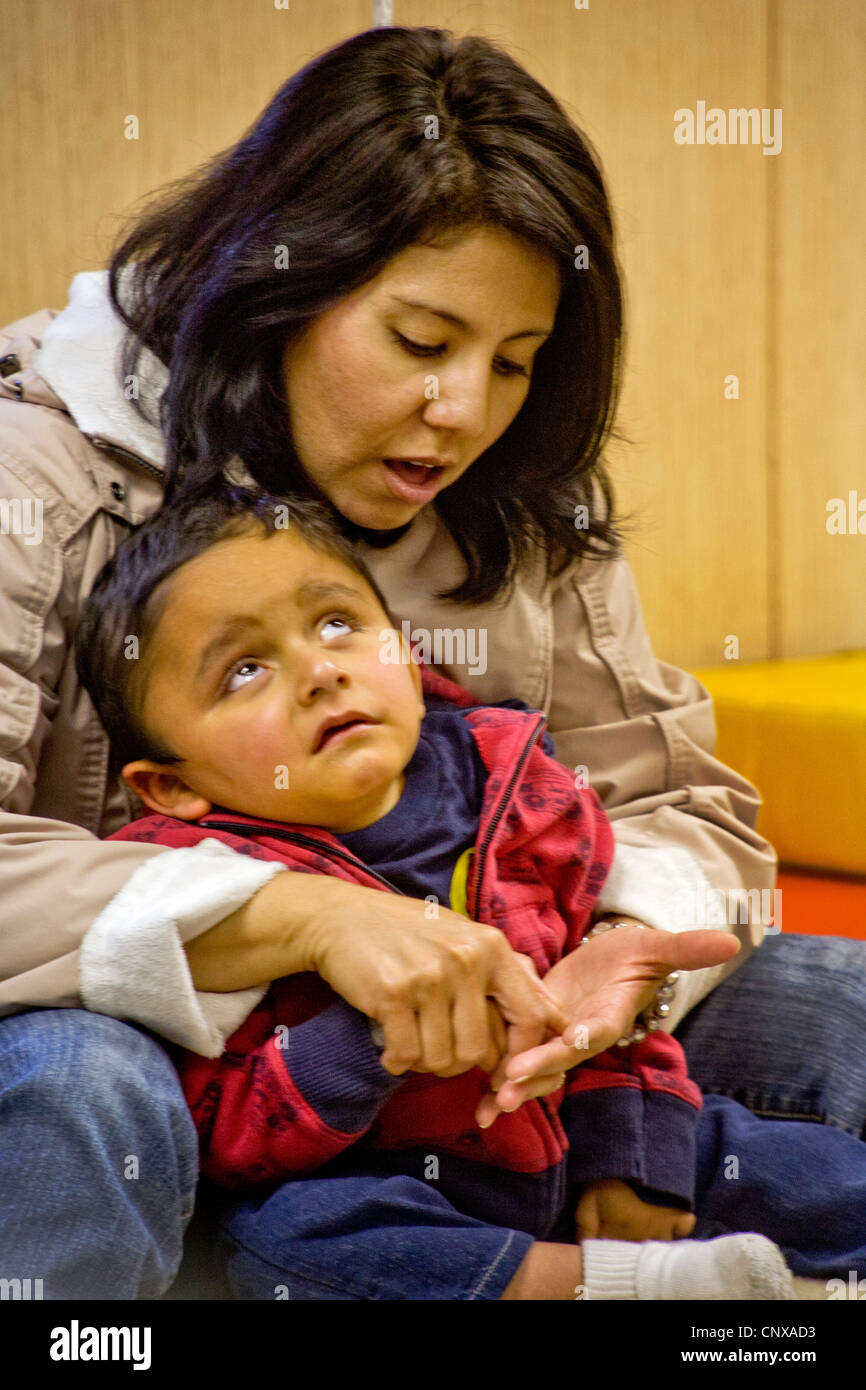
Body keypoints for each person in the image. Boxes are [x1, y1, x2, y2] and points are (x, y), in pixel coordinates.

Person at [0, 26, 863, 1298]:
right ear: (276, 289)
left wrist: (611, 959)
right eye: (418, 342)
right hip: (187, 1059)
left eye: (513, 363)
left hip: (500, 1061)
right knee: (73, 1077)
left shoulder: (515, 507)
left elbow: (679, 805)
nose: (463, 411)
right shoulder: (39, 476)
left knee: (835, 998)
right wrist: (310, 917)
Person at [75, 481, 814, 1301]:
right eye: (244, 671)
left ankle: (692, 1276)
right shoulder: (199, 893)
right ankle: (611, 1289)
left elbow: (618, 1015)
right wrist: (363, 1046)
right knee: (288, 1243)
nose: (320, 672)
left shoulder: (523, 794)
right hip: (395, 1188)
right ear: (169, 785)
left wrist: (629, 1161)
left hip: (578, 1135)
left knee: (797, 1167)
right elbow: (216, 1137)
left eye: (336, 625)